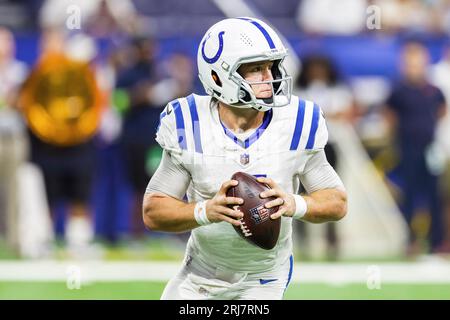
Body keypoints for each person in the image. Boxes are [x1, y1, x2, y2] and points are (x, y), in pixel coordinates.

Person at [143, 17, 347, 300]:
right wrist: (204, 211)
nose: (269, 77)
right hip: (200, 275)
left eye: (271, 67)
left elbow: (337, 201)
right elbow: (153, 211)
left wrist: (294, 203)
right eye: (255, 69)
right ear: (218, 76)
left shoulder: (296, 121)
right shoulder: (188, 123)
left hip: (263, 278)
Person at [384, 41, 447, 254]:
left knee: (434, 196)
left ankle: (437, 241)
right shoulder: (399, 89)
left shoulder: (433, 90)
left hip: (430, 148)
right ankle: (411, 241)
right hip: (407, 147)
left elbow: (441, 111)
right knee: (409, 195)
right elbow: (390, 116)